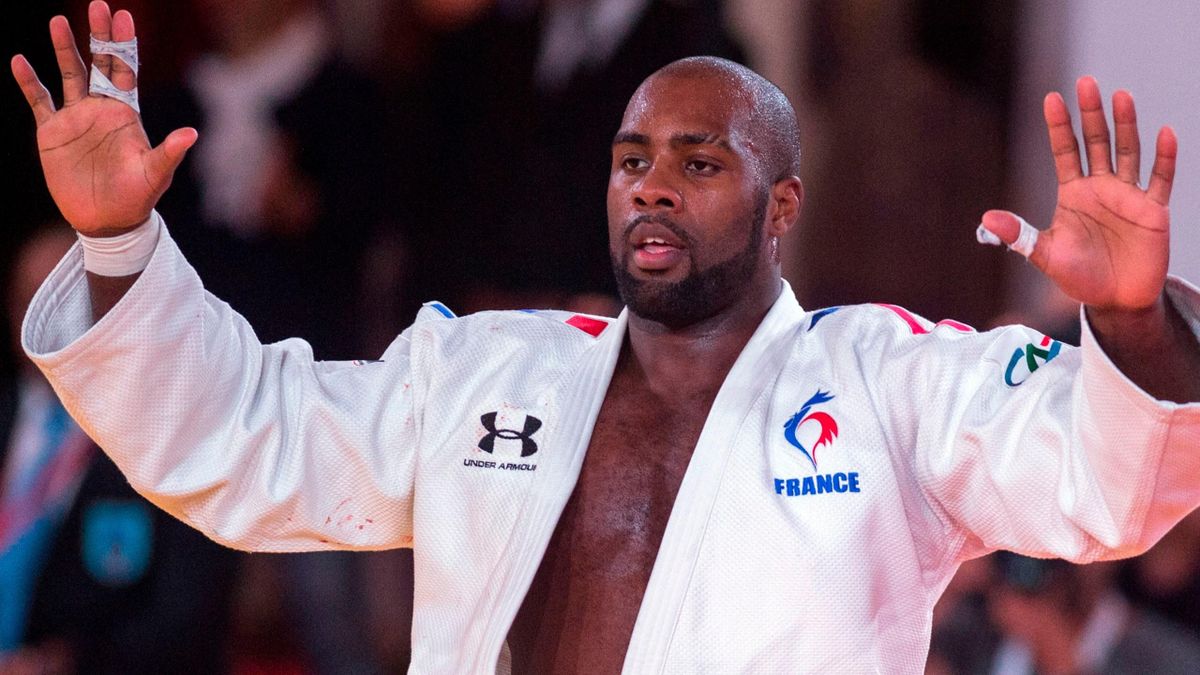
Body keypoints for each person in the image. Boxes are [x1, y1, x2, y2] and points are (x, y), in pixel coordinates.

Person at [11, 2, 1200, 672]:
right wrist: (120, 242)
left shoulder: (885, 379)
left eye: (699, 161)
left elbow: (1102, 487)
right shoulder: (488, 369)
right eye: (633, 161)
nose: (651, 187)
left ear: (783, 206)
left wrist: (1131, 319)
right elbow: (246, 440)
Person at [1, 226, 241, 673]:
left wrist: (66, 664)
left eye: (67, 303)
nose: (50, 323)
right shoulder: (7, 420)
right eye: (32, 303)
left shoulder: (173, 434)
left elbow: (189, 616)